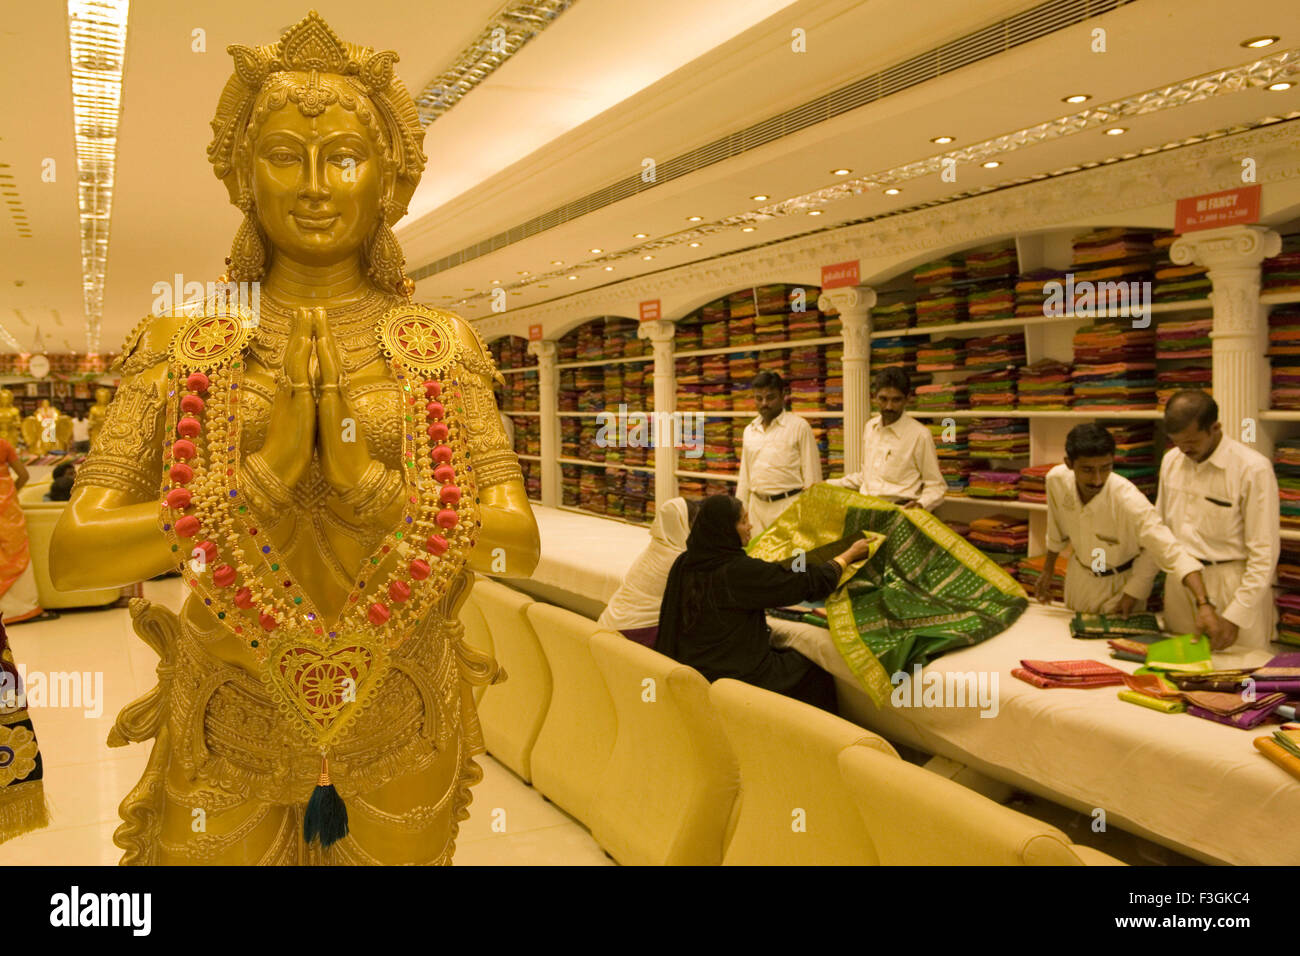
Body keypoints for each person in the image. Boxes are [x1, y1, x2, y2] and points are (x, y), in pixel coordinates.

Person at [48, 12, 540, 866]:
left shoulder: (438, 345)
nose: (316, 183)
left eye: (344, 157)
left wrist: (373, 491)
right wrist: (250, 486)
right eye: (284, 154)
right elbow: (76, 557)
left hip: (399, 708)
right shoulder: (181, 339)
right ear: (243, 174)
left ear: (387, 178)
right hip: (227, 706)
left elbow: (517, 546)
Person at [656, 493, 874, 712]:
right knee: (812, 672)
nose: (750, 526)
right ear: (725, 529)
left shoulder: (685, 561)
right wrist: (847, 557)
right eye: (743, 521)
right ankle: (815, 737)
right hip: (732, 674)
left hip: (690, 666)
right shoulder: (737, 571)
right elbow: (802, 582)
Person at [1121, 390, 1280, 650]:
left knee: (1238, 678)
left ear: (1215, 428)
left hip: (1231, 584)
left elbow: (1264, 552)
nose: (1185, 449)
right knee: (1177, 674)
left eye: (1192, 441)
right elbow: (1159, 532)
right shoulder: (1172, 461)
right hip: (1180, 584)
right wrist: (1138, 586)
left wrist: (1236, 613)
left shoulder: (1253, 469)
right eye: (1177, 442)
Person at [1037, 423, 1213, 623]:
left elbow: (1170, 551)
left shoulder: (1129, 500)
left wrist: (1203, 603)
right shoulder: (1056, 480)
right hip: (1080, 579)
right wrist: (1048, 570)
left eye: (1105, 468)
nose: (1097, 480)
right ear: (1069, 464)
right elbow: (1056, 528)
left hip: (1120, 588)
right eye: (1087, 470)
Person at [829, 367, 944, 510]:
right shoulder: (870, 428)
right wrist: (826, 484)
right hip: (866, 510)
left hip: (900, 513)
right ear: (874, 396)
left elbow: (936, 485)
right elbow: (866, 477)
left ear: (908, 399)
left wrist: (921, 504)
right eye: (883, 399)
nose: (889, 406)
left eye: (896, 400)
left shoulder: (920, 435)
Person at [597, 496, 700, 646]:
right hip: (634, 631)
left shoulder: (655, 548)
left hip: (610, 622)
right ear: (685, 523)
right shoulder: (679, 558)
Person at [735, 371, 822, 535]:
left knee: (787, 559)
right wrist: (741, 514)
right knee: (756, 558)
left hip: (788, 506)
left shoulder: (799, 427)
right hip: (756, 508)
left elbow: (813, 477)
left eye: (770, 397)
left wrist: (811, 519)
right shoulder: (749, 430)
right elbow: (744, 477)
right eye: (758, 398)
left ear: (783, 396)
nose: (764, 403)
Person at [0, 438, 53, 624]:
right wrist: (11, 491)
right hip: (6, 506)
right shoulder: (4, 444)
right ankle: (22, 609)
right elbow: (23, 475)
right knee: (16, 551)